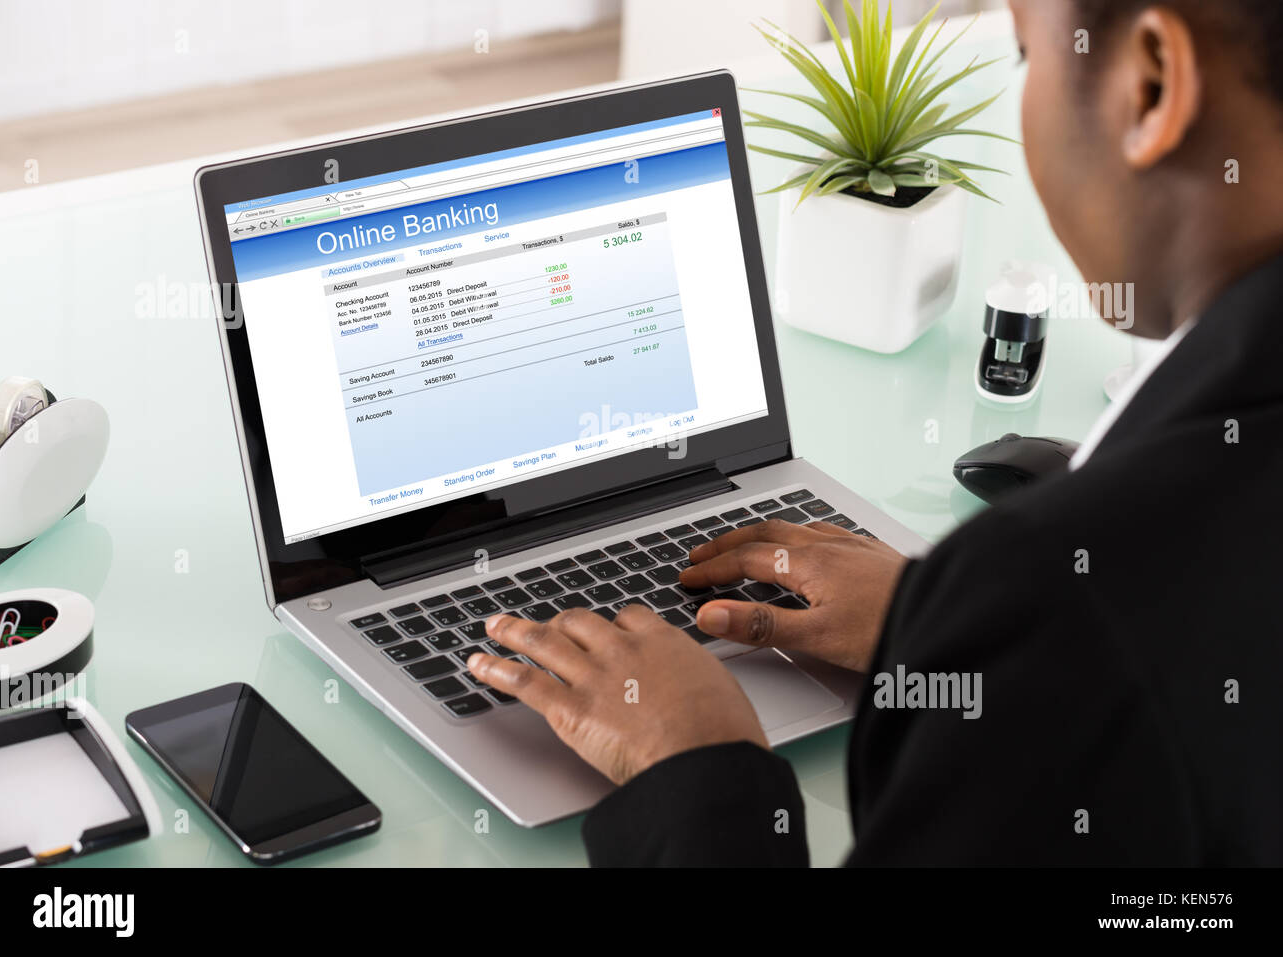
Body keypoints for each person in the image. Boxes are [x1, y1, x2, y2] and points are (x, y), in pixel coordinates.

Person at [466, 0, 1283, 865]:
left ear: (1149, 84)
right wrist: (945, 629)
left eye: (1024, 51)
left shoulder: (1071, 600)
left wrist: (695, 767)